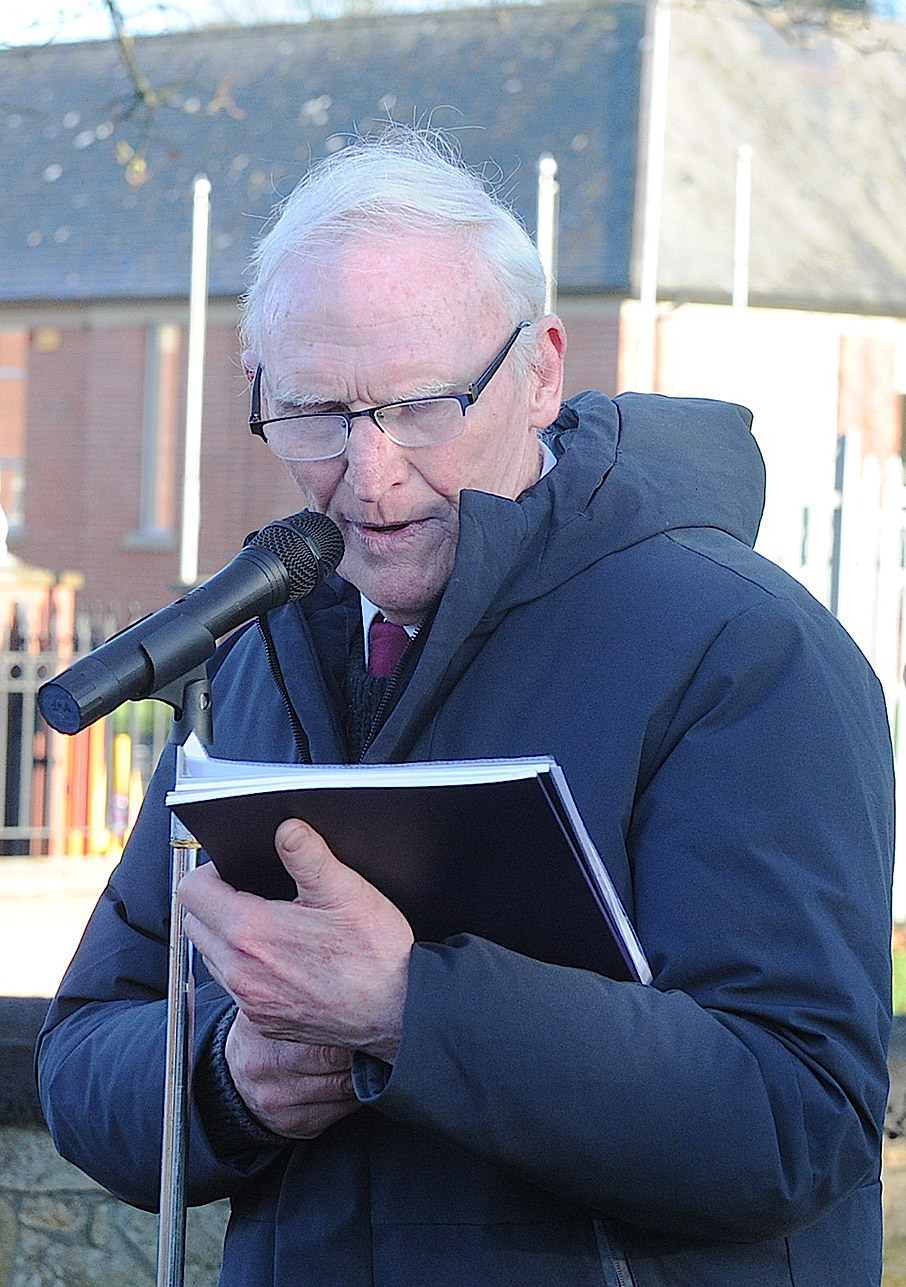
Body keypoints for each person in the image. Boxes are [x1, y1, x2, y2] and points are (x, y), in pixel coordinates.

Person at [36, 128, 894, 1287]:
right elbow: (85, 1047)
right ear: (257, 392)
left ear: (541, 371)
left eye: (423, 406)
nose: (370, 472)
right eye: (313, 413)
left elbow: (801, 1117)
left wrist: (407, 1008)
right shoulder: (256, 655)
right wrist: (230, 1083)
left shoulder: (746, 646)